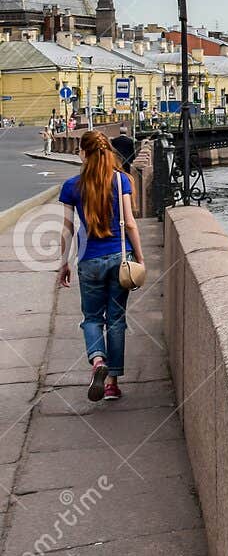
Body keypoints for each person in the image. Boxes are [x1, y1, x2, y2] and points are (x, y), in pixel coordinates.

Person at [55, 130, 142, 402]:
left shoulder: (71, 186)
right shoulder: (121, 181)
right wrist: (140, 257)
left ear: (83, 153)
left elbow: (67, 228)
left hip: (88, 260)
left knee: (92, 318)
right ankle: (112, 384)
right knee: (116, 320)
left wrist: (63, 263)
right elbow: (129, 222)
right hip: (119, 258)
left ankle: (97, 360)